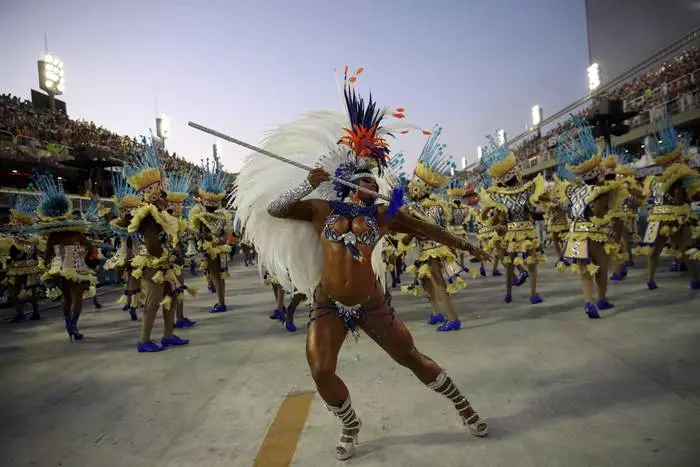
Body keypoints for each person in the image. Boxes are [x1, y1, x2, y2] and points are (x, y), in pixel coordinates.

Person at [233, 68, 490, 461]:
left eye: (374, 182)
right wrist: (307, 182)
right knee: (321, 371)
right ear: (347, 181)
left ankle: (462, 405)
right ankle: (350, 424)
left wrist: (466, 244)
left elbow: (425, 229)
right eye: (364, 181)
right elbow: (275, 208)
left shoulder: (382, 217)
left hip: (372, 303)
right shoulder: (320, 210)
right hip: (329, 304)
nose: (371, 186)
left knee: (410, 357)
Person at [555, 120, 628, 319]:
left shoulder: (572, 190)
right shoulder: (601, 191)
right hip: (594, 235)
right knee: (601, 269)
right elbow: (600, 213)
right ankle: (602, 299)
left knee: (584, 271)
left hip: (574, 237)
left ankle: (588, 302)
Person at [124, 138, 190, 352]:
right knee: (153, 302)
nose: (166, 199)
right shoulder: (147, 215)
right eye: (162, 195)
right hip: (153, 264)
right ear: (153, 195)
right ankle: (144, 340)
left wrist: (173, 253)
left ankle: (168, 335)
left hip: (165, 262)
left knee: (171, 296)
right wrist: (169, 257)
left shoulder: (161, 214)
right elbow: (152, 244)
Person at [401, 126, 469, 331]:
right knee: (425, 281)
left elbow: (429, 229)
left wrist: (411, 227)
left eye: (414, 186)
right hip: (426, 250)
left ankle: (453, 318)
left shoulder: (431, 207)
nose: (410, 189)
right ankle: (436, 313)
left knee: (439, 284)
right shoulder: (424, 205)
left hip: (433, 250)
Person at [633, 115, 700, 290]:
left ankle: (650, 279)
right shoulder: (680, 176)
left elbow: (645, 196)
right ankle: (694, 279)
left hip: (656, 217)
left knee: (654, 250)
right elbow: (683, 198)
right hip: (675, 216)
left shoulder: (653, 179)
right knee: (686, 248)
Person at [479, 134, 546, 304]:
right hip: (527, 231)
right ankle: (533, 294)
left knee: (509, 265)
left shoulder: (499, 196)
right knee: (531, 264)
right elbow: (534, 208)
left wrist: (492, 218)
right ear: (516, 174)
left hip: (510, 233)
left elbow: (493, 219)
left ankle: (508, 294)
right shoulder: (527, 190)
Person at [32, 173, 98, 340]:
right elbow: (92, 248)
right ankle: (73, 325)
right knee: (77, 298)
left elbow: (47, 255)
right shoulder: (77, 234)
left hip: (59, 269)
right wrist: (90, 260)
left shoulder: (53, 236)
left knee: (67, 298)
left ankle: (68, 323)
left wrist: (46, 269)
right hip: (75, 268)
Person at [189, 155, 232, 313]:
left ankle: (221, 303)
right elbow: (225, 235)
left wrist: (205, 238)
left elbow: (201, 234)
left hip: (212, 250)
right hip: (220, 249)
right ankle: (221, 301)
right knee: (218, 276)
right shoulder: (222, 215)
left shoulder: (201, 216)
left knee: (216, 276)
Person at [0, 196, 43, 322]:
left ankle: (26, 313)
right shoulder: (28, 238)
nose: (11, 224)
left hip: (23, 267)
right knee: (23, 290)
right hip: (24, 267)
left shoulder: (20, 239)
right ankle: (30, 312)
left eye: (14, 222)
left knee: (21, 290)